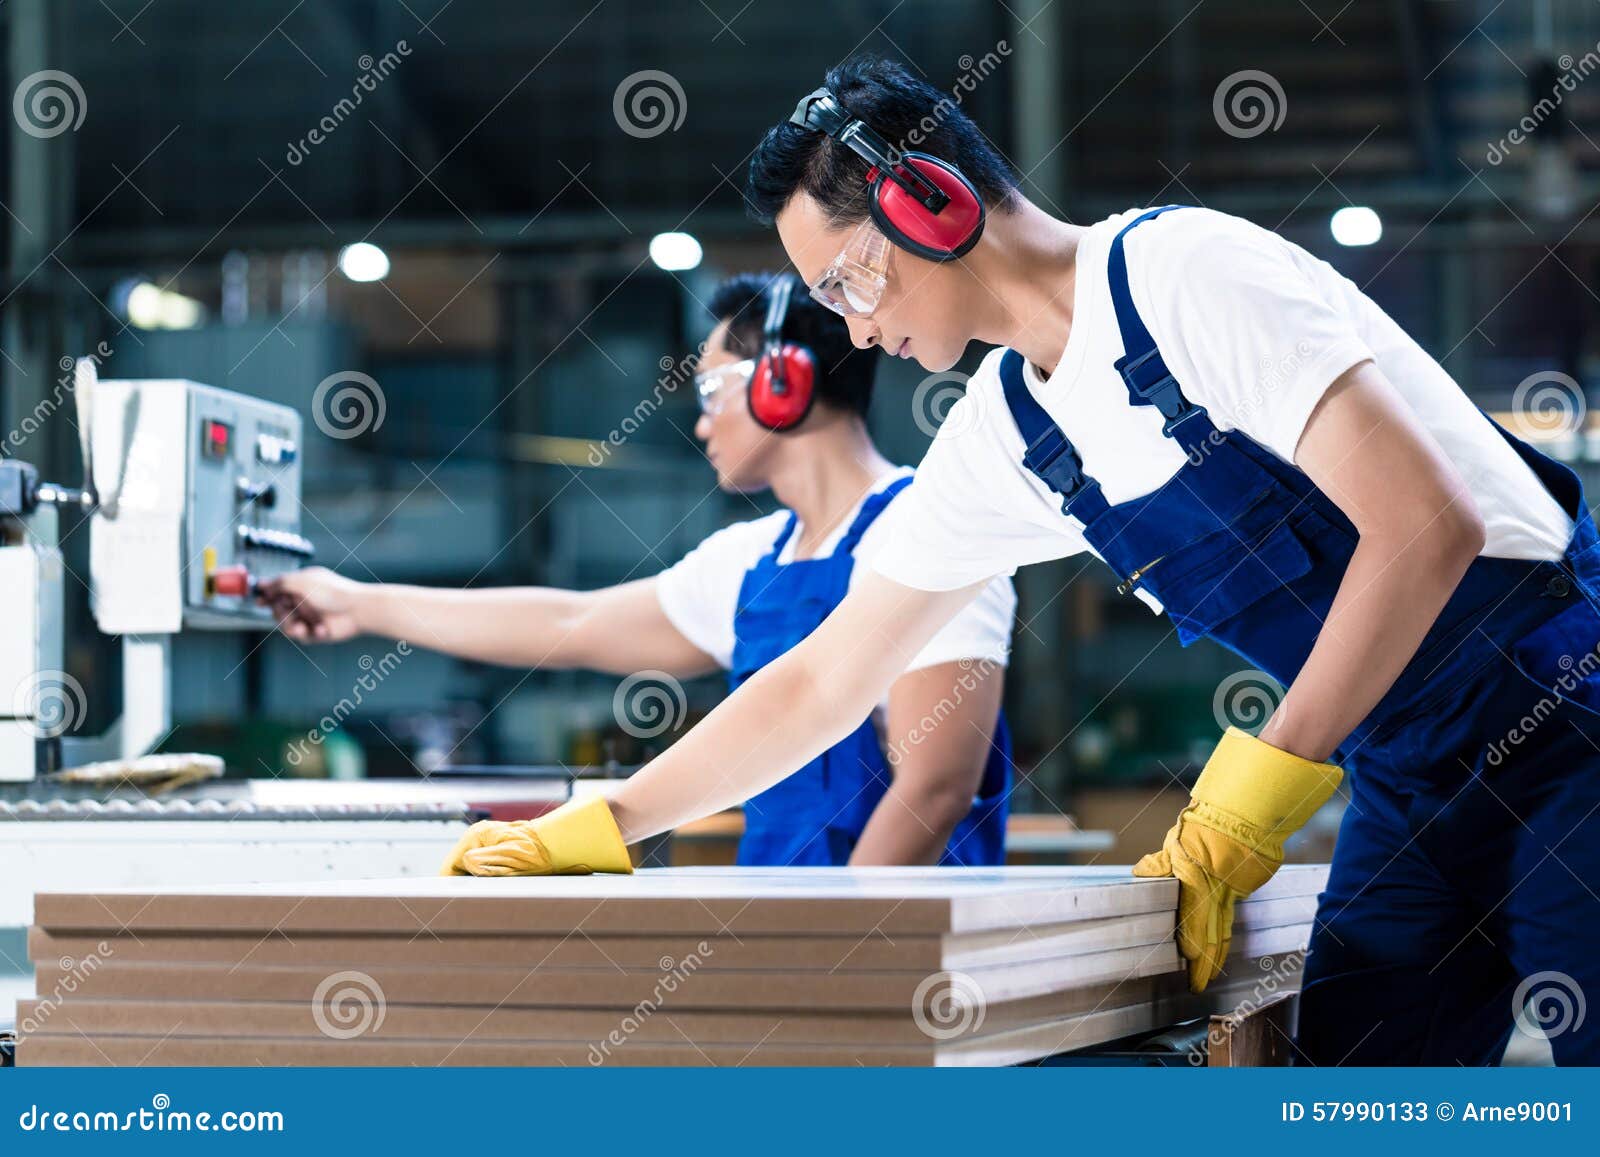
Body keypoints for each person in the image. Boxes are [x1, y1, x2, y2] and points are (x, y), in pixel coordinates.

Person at [447, 56, 1600, 1067]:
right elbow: (823, 676)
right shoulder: (1010, 434)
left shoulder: (1183, 278)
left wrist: (1246, 802)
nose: (848, 329)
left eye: (844, 281)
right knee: (1349, 1098)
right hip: (1405, 771)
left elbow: (1422, 530)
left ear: (932, 204)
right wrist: (613, 818)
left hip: (1565, 711)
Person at [263, 270, 1016, 868]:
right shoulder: (753, 560)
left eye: (713, 392)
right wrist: (362, 604)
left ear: (783, 381)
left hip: (905, 959)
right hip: (786, 931)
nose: (699, 423)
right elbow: (571, 622)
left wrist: (840, 958)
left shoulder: (932, 534)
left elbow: (935, 785)